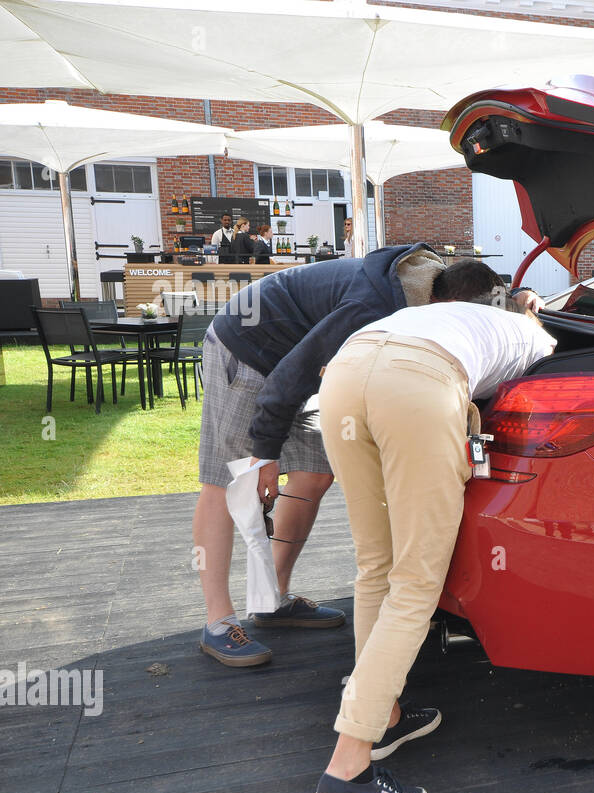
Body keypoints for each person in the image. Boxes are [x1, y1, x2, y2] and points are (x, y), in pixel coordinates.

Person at [193, 245, 543, 668]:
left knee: (315, 474)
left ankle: (270, 599)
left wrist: (519, 295)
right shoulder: (372, 307)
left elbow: (480, 289)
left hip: (298, 360)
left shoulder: (438, 287)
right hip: (250, 346)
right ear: (444, 304)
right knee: (231, 482)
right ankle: (217, 622)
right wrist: (265, 452)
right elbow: (290, 376)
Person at [311, 261, 556, 793]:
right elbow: (546, 373)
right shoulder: (528, 329)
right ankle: (347, 766)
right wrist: (533, 317)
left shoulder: (431, 313)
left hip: (346, 373)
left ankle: (384, 716)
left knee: (376, 566)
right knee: (416, 584)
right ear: (515, 302)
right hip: (419, 385)